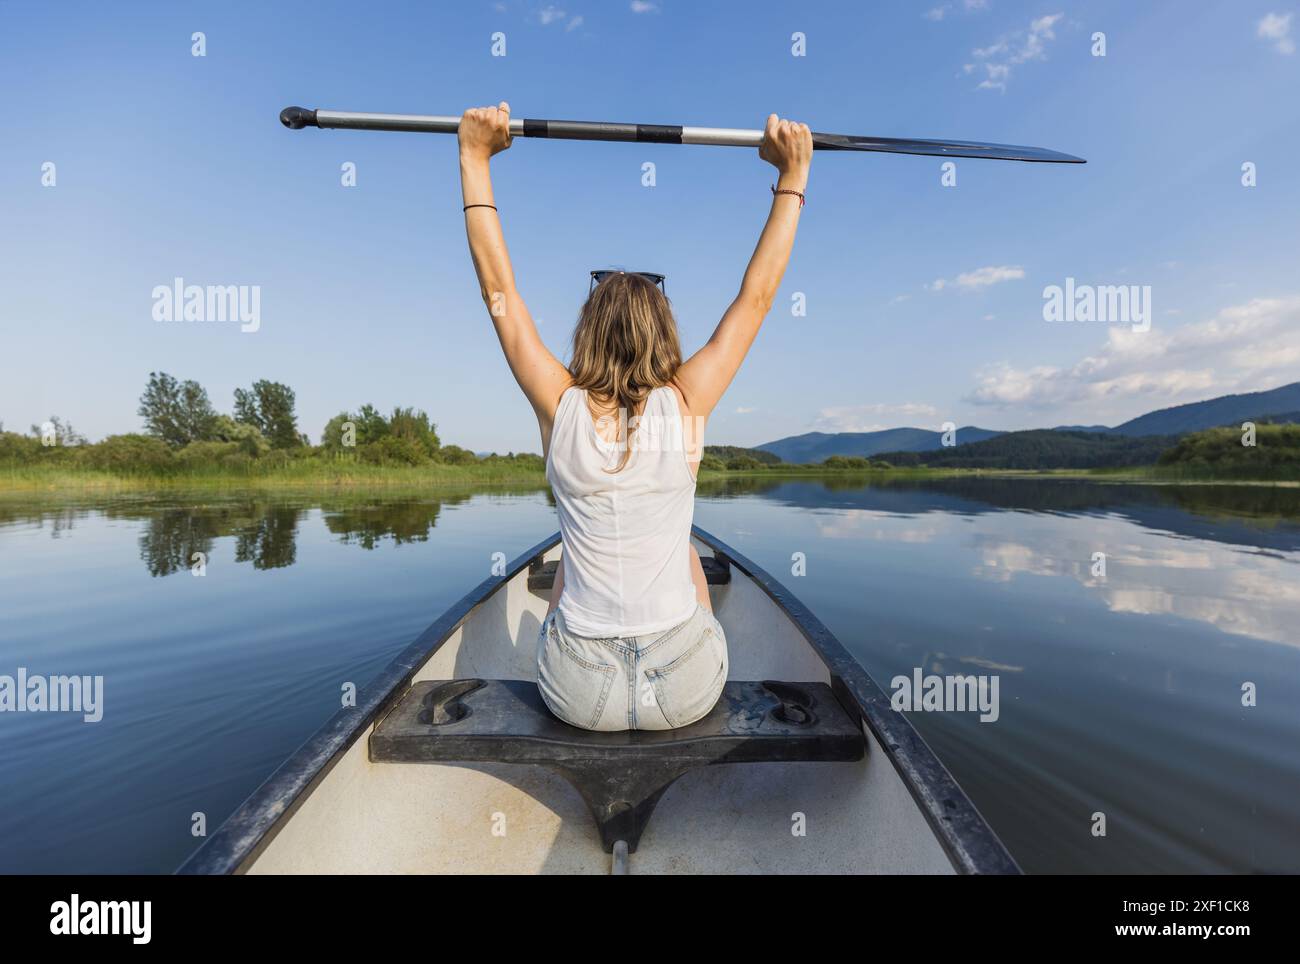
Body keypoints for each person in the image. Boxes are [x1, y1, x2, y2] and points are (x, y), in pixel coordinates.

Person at [457, 101, 811, 730]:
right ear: (664, 332)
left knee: (570, 562)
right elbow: (755, 299)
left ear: (586, 330)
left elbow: (499, 295)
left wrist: (474, 157)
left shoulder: (556, 401)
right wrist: (792, 177)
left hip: (578, 693)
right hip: (682, 686)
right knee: (691, 580)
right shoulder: (688, 399)